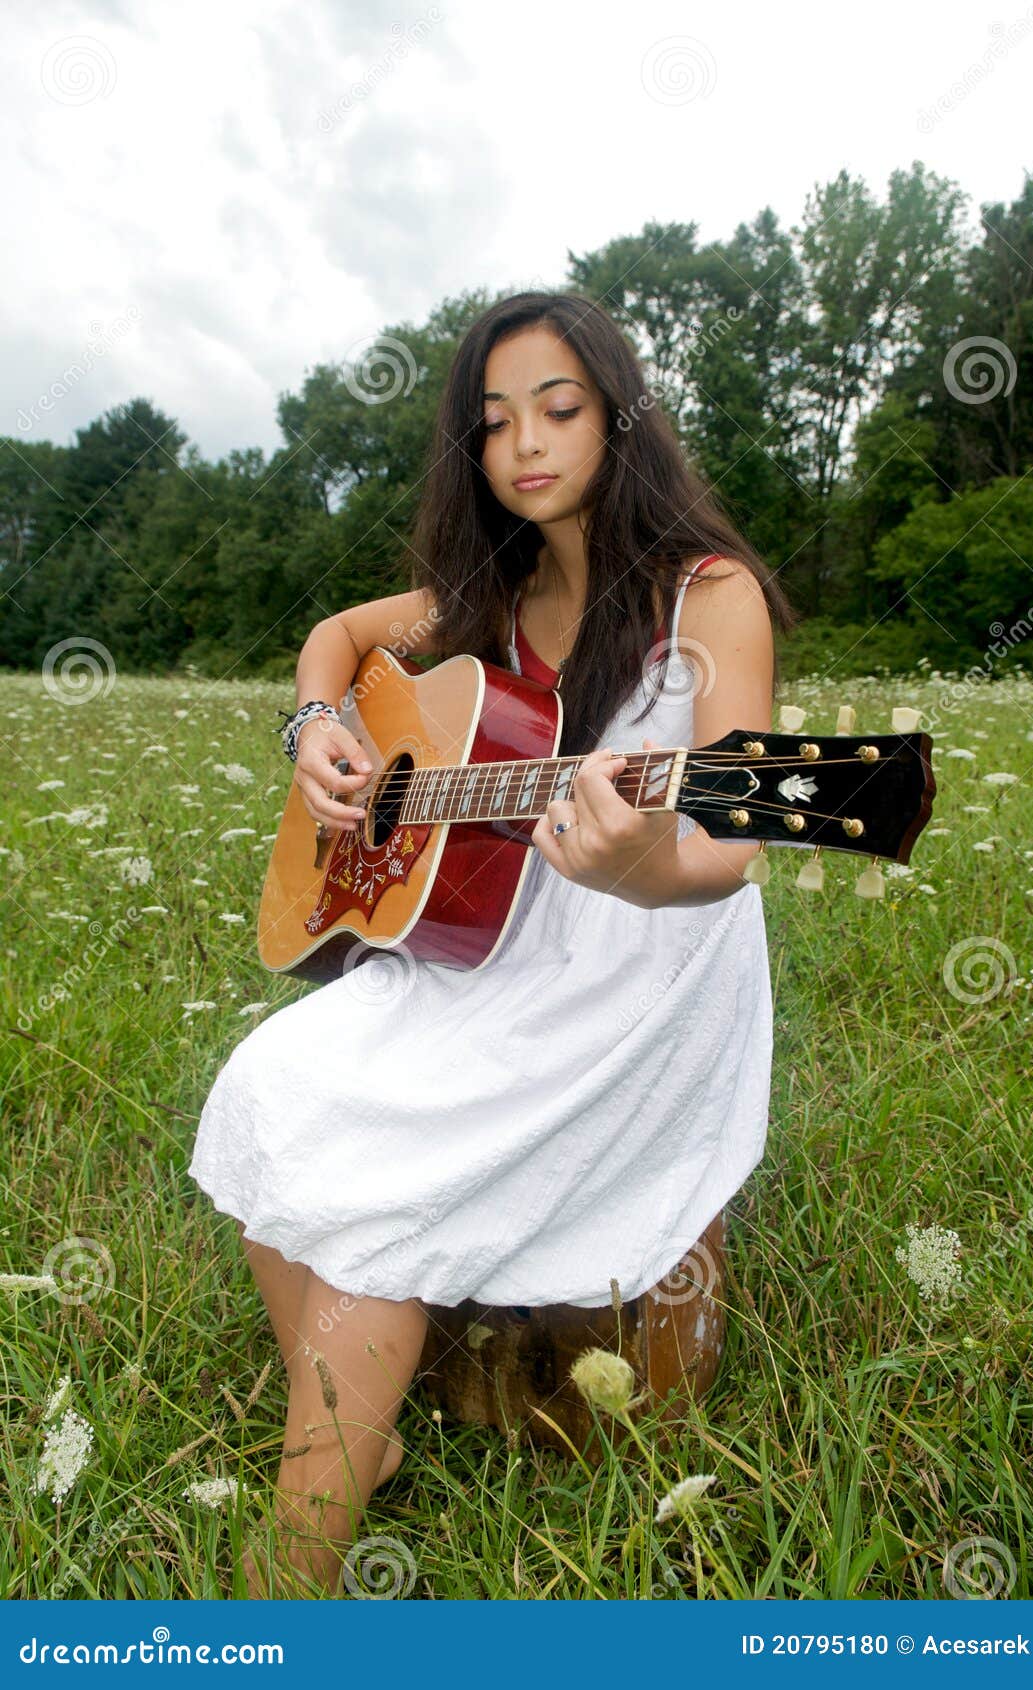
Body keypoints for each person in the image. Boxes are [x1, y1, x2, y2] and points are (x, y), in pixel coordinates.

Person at [188, 290, 798, 1596]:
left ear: (618, 418)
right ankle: (366, 1429)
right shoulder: (487, 593)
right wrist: (316, 733)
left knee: (370, 1201)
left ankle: (280, 1584)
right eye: (494, 420)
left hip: (644, 964)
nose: (525, 441)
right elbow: (340, 643)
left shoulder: (710, 596)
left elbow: (728, 841)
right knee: (263, 1086)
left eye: (560, 409)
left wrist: (650, 860)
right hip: (494, 942)